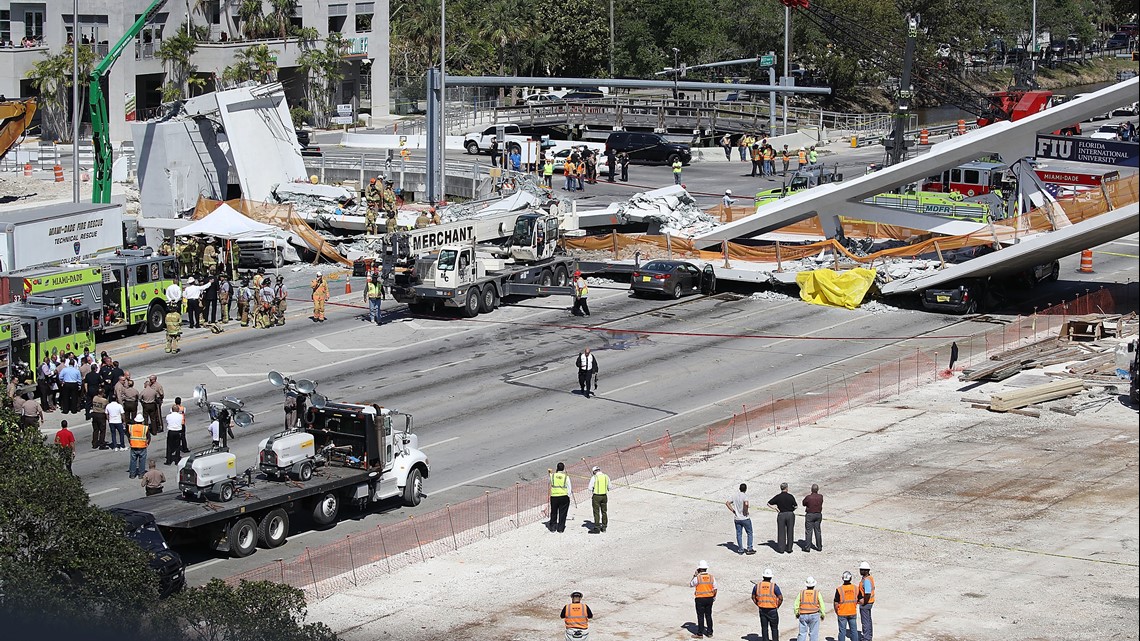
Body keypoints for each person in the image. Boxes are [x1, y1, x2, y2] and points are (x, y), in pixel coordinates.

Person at [752, 568, 783, 641]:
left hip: (762, 609)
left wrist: (758, 604)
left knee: (764, 628)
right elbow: (781, 598)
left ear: (763, 576)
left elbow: (753, 597)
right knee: (774, 628)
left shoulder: (757, 586)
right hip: (772, 610)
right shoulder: (774, 586)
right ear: (771, 577)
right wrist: (777, 606)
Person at [768, 482, 797, 554]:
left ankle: (781, 549)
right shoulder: (790, 496)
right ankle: (789, 548)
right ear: (787, 488)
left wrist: (775, 508)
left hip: (781, 514)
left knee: (781, 532)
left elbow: (768, 503)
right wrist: (792, 510)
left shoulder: (778, 497)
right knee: (790, 531)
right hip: (790, 514)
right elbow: (796, 506)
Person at [726, 482, 755, 554]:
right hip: (745, 518)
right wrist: (746, 511)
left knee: (739, 534)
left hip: (737, 518)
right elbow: (746, 504)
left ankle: (740, 549)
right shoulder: (745, 496)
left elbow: (727, 503)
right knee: (749, 533)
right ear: (746, 489)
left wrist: (733, 510)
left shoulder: (735, 496)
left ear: (739, 489)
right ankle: (749, 548)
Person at [690, 560, 717, 638]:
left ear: (699, 569)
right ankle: (710, 632)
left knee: (700, 616)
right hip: (709, 598)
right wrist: (714, 597)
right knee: (708, 615)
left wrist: (694, 575)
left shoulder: (697, 578)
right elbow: (715, 588)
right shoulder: (711, 577)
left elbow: (691, 584)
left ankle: (700, 633)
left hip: (700, 599)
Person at [794, 576, 826, 641]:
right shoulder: (817, 593)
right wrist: (823, 614)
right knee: (813, 634)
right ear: (814, 585)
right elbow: (822, 604)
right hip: (814, 615)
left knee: (802, 633)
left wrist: (796, 613)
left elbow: (796, 603)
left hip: (803, 615)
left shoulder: (801, 593)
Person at [834, 571, 859, 641]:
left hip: (842, 613)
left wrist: (837, 611)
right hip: (852, 612)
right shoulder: (855, 588)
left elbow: (836, 602)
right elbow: (861, 600)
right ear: (851, 578)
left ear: (842, 578)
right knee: (854, 631)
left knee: (842, 632)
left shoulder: (839, 589)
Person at [548, 462, 571, 533]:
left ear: (557, 468)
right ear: (563, 469)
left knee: (554, 512)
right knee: (563, 513)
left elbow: (549, 481)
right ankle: (560, 528)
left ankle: (553, 527)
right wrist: (568, 495)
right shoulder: (566, 477)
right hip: (563, 496)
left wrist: (549, 473)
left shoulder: (552, 476)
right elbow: (569, 487)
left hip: (554, 496)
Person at [127, 412, 150, 479]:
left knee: (133, 461)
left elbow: (129, 436)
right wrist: (147, 444)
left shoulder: (131, 427)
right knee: (142, 461)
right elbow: (148, 437)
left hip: (133, 446)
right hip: (142, 447)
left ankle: (132, 474)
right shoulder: (145, 428)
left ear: (135, 421)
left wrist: (131, 443)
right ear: (142, 421)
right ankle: (141, 474)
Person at [587, 465, 609, 534]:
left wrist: (594, 489)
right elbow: (610, 486)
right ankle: (604, 526)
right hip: (604, 496)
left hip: (596, 496)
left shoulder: (594, 477)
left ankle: (597, 527)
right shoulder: (606, 476)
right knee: (604, 511)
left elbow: (590, 488)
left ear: (594, 472)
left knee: (596, 512)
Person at [802, 483, 823, 552]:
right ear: (817, 490)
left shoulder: (808, 497)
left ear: (811, 490)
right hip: (818, 514)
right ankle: (819, 546)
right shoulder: (820, 496)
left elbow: (804, 503)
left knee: (809, 531)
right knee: (818, 531)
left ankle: (807, 547)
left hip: (810, 514)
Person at [858, 561, 875, 641]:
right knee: (868, 620)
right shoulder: (869, 578)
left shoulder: (867, 580)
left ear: (865, 571)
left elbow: (867, 593)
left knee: (865, 622)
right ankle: (869, 636)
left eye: (861, 570)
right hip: (870, 602)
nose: (860, 571)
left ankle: (866, 638)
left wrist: (864, 602)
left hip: (866, 602)